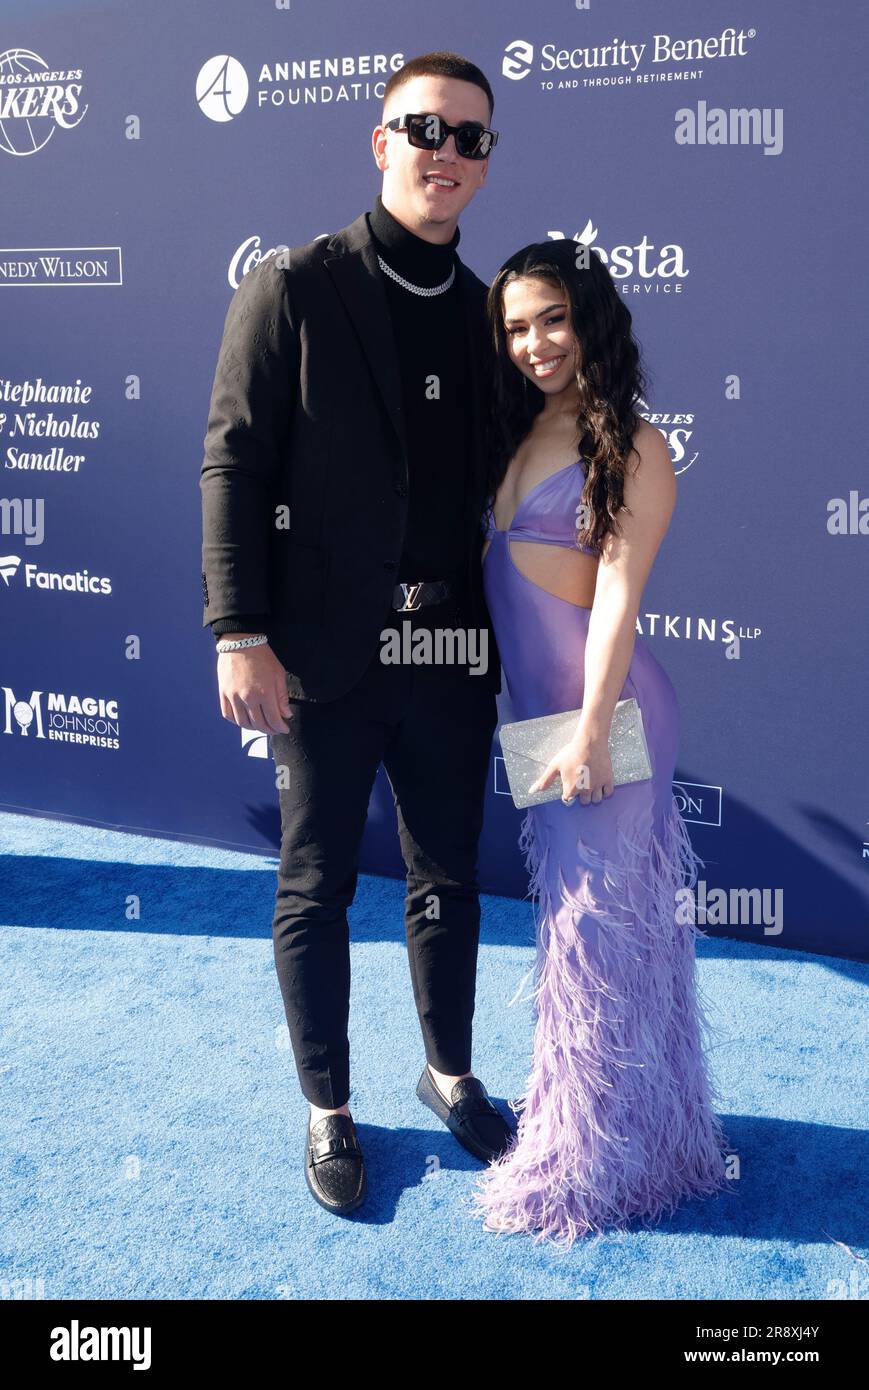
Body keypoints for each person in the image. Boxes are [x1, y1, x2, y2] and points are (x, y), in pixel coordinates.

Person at [199, 52, 515, 1217]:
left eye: (469, 138)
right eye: (423, 127)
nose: (445, 151)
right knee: (316, 883)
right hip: (325, 650)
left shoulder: (489, 317)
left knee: (445, 878)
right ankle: (328, 1109)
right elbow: (233, 459)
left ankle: (447, 1076)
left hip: (445, 655)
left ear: (485, 167)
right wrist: (238, 627)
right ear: (377, 139)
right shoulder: (292, 286)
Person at [468, 237, 730, 1246]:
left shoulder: (631, 444)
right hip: (537, 718)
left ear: (590, 320)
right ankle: (652, 1142)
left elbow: (617, 602)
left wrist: (586, 735)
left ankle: (579, 1165)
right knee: (595, 932)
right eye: (516, 326)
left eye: (551, 319)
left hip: (603, 716)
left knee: (589, 937)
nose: (534, 343)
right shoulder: (517, 429)